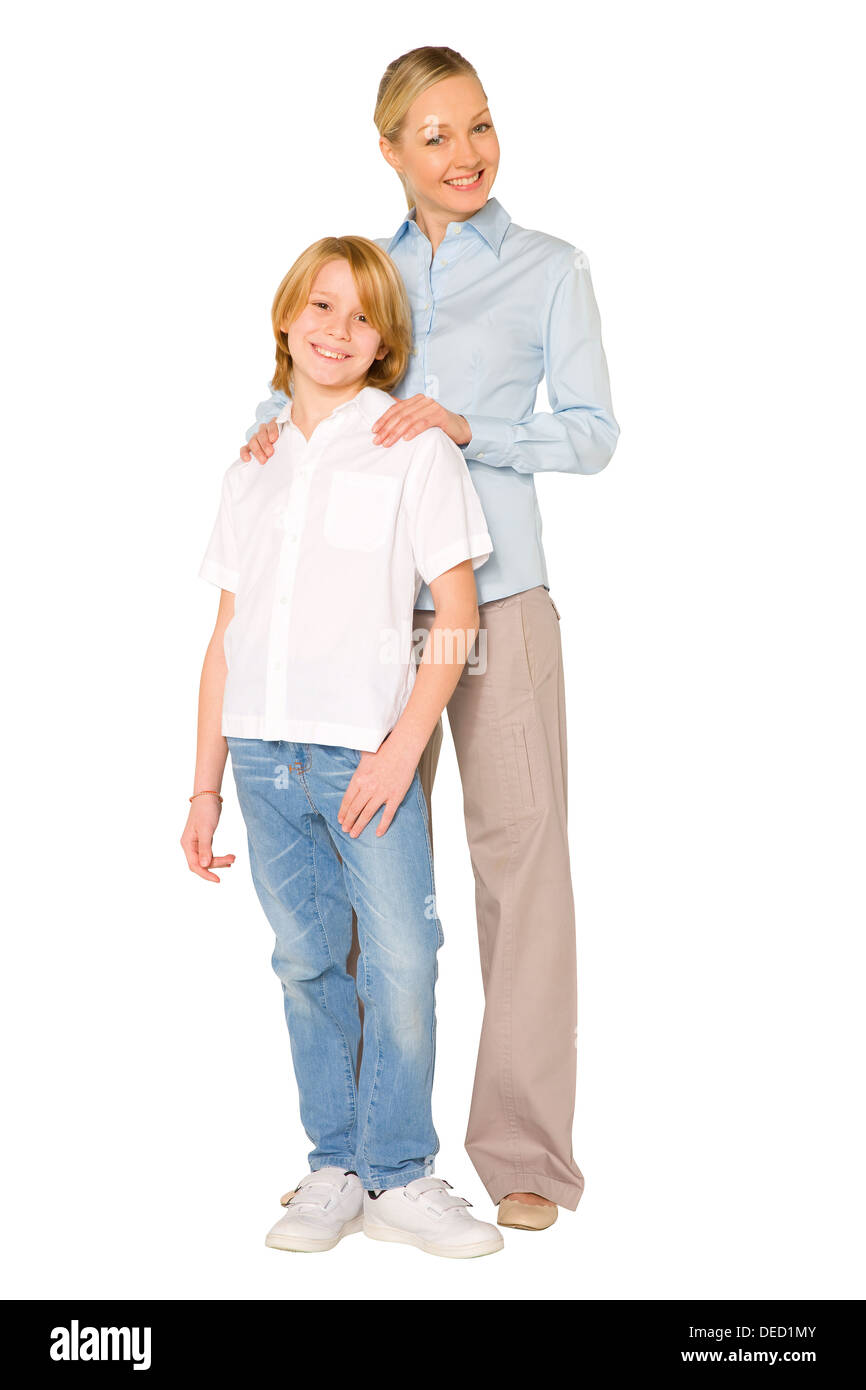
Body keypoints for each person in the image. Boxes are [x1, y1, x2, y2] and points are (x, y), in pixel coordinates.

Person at [242, 47, 620, 1229]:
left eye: (480, 127)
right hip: (363, 618)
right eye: (435, 135)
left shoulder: (551, 268)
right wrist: (263, 427)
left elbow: (595, 433)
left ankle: (521, 1154)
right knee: (357, 891)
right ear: (390, 148)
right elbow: (317, 381)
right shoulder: (369, 275)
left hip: (496, 604)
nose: (464, 155)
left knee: (521, 871)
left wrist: (473, 428)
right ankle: (355, 1152)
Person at [181, 234, 503, 1258]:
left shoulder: (415, 449)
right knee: (306, 961)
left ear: (383, 344)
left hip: (362, 754)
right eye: (320, 307)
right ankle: (333, 1166)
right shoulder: (254, 467)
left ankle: (400, 1171)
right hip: (261, 762)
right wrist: (203, 788)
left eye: (361, 316)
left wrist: (403, 745)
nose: (336, 329)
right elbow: (224, 636)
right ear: (285, 317)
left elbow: (457, 613)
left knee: (403, 961)